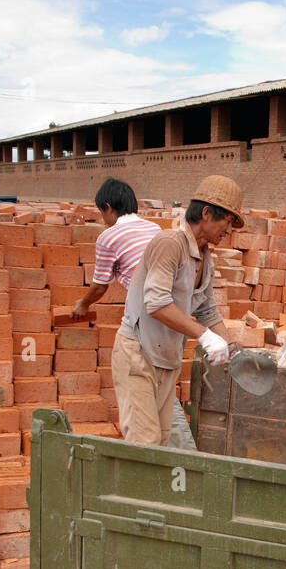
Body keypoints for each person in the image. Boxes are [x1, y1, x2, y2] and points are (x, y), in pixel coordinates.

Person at [111, 174, 241, 446]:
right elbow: (156, 303)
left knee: (161, 442)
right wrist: (204, 336)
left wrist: (232, 347)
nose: (228, 231)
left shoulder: (205, 258)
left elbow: (207, 312)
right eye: (227, 221)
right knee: (144, 444)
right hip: (138, 354)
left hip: (166, 360)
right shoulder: (170, 243)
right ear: (206, 213)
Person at [71, 178, 197, 450]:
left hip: (144, 324)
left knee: (144, 436)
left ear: (107, 208)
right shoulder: (154, 228)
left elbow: (101, 284)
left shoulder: (108, 235)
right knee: (158, 423)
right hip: (169, 330)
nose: (103, 220)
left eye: (101, 214)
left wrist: (82, 304)